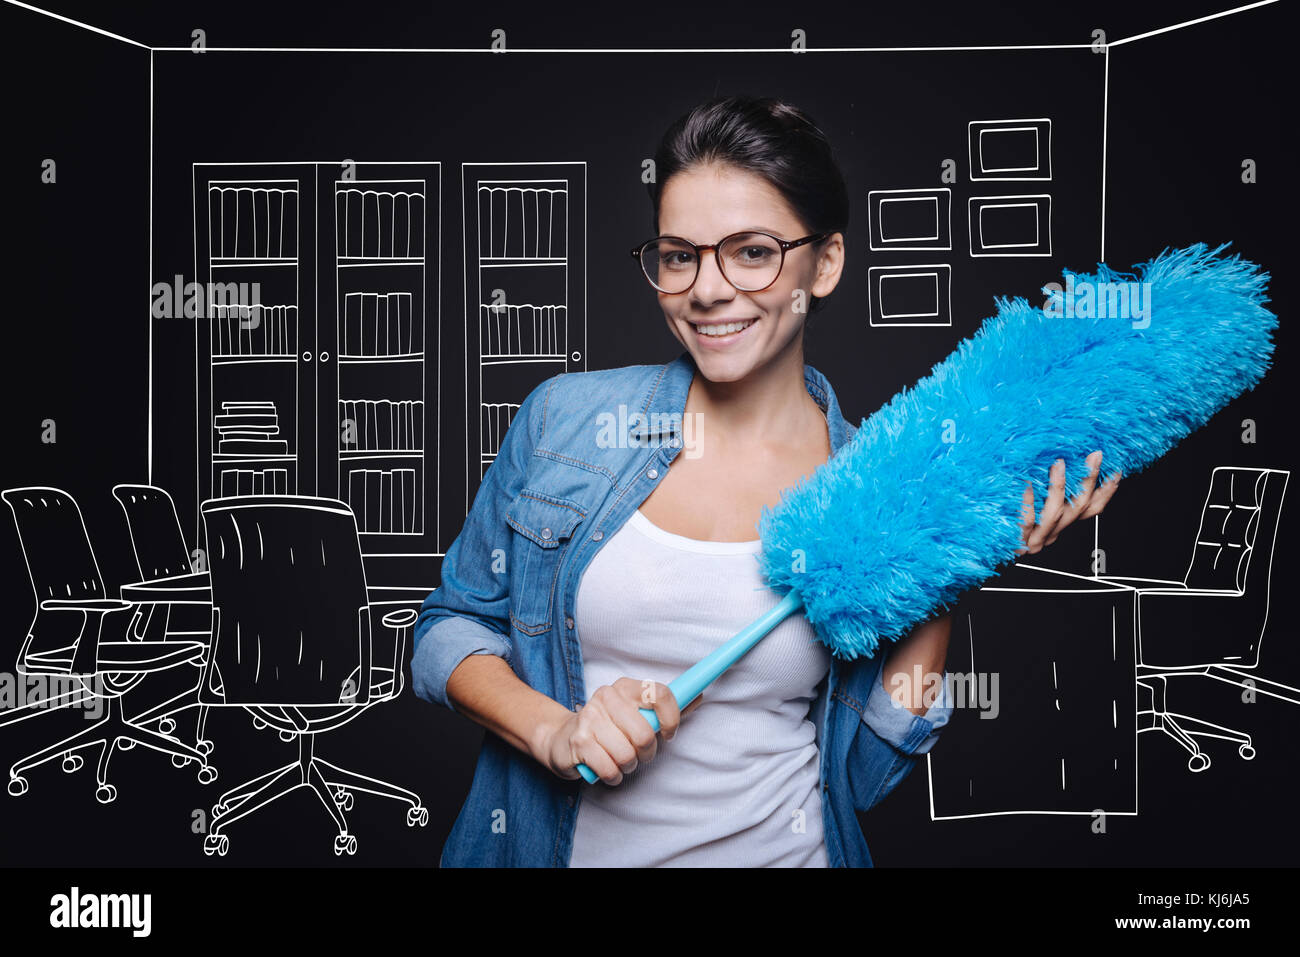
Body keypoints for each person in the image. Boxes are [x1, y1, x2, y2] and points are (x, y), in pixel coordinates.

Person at [411, 95, 1121, 867]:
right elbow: (448, 629)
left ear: (826, 263)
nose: (707, 289)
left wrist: (953, 560)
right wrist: (553, 728)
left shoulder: (874, 491)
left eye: (751, 251)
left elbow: (866, 776)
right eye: (681, 254)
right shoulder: (565, 422)